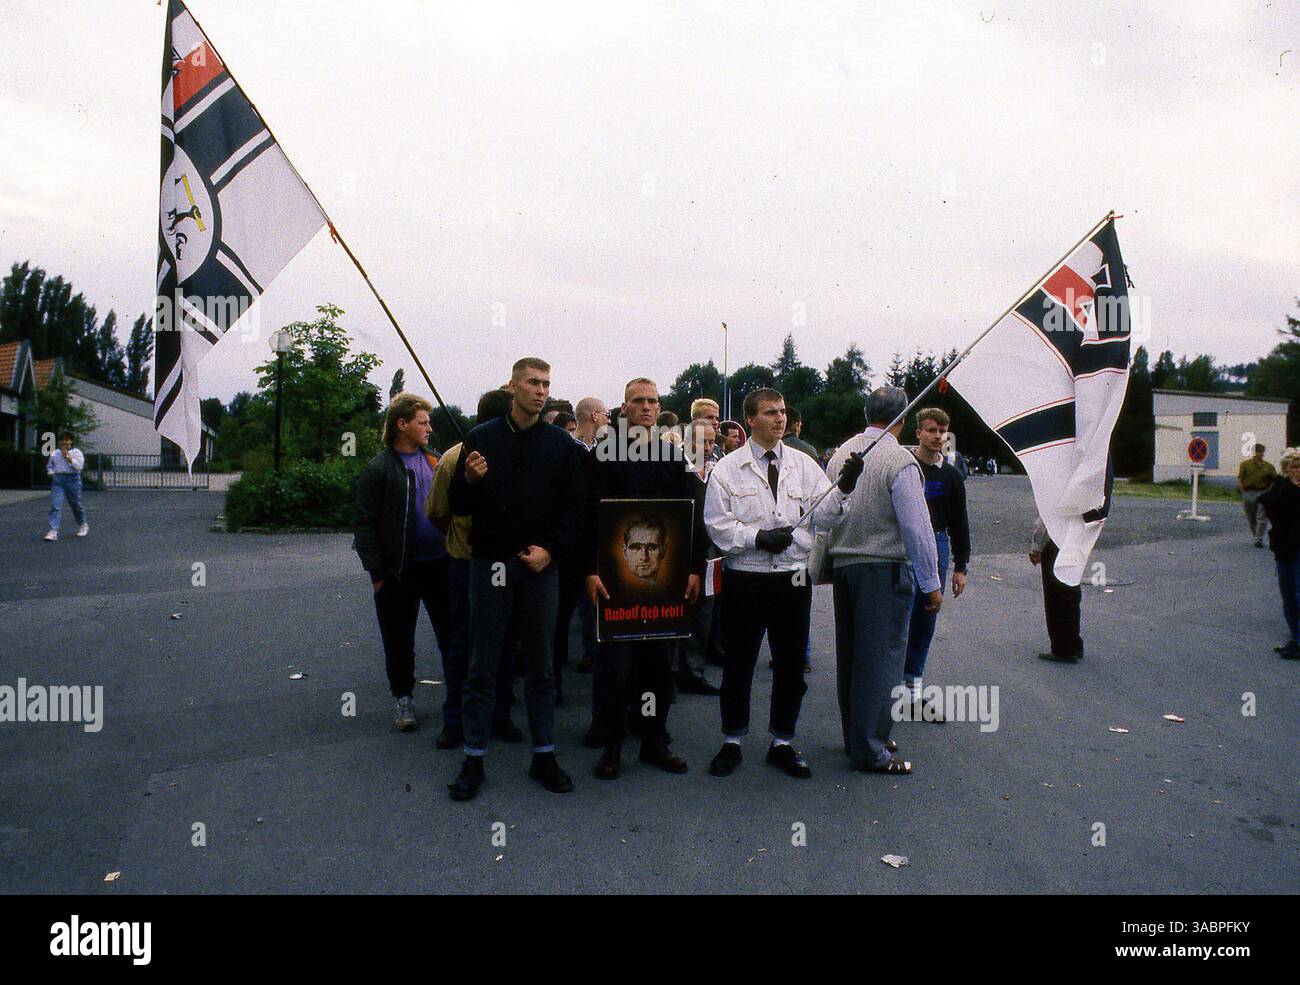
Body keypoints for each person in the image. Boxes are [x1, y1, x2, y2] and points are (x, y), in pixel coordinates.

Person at [704, 387, 861, 780]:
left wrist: (844, 487)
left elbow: (823, 517)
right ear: (750, 420)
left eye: (783, 412)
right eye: (770, 413)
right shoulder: (727, 469)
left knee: (790, 663)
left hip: (792, 576)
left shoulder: (805, 466)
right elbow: (717, 524)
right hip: (747, 577)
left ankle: (782, 741)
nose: (780, 418)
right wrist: (757, 538)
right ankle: (732, 739)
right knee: (739, 661)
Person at [445, 358, 584, 801]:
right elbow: (459, 506)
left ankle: (544, 754)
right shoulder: (480, 439)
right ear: (512, 387)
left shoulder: (562, 445)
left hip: (541, 566)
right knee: (483, 664)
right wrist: (468, 479)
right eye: (533, 383)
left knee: (543, 666)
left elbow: (577, 509)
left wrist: (553, 549)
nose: (541, 391)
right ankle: (473, 757)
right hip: (492, 564)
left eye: (546, 384)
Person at [583, 377, 705, 780]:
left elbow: (691, 517)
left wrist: (694, 569)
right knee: (616, 668)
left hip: (663, 582)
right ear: (624, 408)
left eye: (653, 401)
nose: (648, 407)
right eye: (639, 401)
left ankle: (654, 740)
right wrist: (589, 570)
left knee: (656, 667)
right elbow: (586, 519)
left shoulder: (672, 457)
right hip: (615, 580)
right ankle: (613, 745)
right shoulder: (604, 455)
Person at [826, 387, 940, 775]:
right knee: (881, 659)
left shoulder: (842, 453)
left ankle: (856, 735)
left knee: (852, 657)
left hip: (844, 566)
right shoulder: (899, 460)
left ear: (865, 411)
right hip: (883, 566)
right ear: (904, 418)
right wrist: (930, 581)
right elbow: (916, 528)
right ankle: (871, 748)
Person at [428, 388, 522, 749]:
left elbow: (436, 514)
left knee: (483, 643)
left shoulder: (473, 454)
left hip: (486, 560)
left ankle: (479, 717)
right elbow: (439, 510)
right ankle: (465, 718)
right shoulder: (457, 458)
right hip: (469, 564)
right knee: (472, 643)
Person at [353, 393, 453, 732]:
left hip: (440, 565)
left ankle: (457, 698)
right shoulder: (378, 469)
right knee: (398, 640)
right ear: (402, 424)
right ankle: (404, 699)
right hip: (399, 571)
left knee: (452, 635)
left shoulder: (437, 461)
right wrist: (378, 573)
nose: (429, 427)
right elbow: (364, 525)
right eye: (423, 422)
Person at [902, 408, 971, 721]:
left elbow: (960, 522)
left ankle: (913, 691)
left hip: (938, 543)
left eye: (942, 432)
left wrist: (960, 566)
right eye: (931, 431)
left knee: (926, 615)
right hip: (902, 545)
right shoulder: (905, 467)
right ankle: (886, 688)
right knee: (897, 615)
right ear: (918, 433)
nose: (937, 437)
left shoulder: (952, 476)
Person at [675, 419, 721, 695]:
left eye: (710, 442)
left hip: (711, 552)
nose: (706, 447)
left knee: (705, 611)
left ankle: (693, 672)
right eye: (700, 441)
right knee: (676, 610)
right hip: (682, 549)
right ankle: (669, 674)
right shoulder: (676, 468)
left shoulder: (718, 470)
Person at [1259, 448, 1300, 658]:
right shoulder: (1282, 488)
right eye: (1294, 466)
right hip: (1284, 548)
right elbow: (1267, 502)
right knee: (1289, 595)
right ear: (1287, 469)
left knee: (1298, 594)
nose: (1298, 470)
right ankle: (1295, 638)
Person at [1029, 517, 1083, 662]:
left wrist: (1036, 547)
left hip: (1055, 540)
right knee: (1071, 589)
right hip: (1077, 539)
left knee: (1055, 595)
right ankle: (1074, 642)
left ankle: (1062, 648)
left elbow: (1047, 517)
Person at [44, 431, 88, 541]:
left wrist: (67, 457)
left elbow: (79, 466)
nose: (64, 442)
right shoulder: (54, 453)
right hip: (58, 480)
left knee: (76, 504)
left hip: (72, 480)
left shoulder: (77, 452)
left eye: (67, 440)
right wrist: (50, 472)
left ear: (71, 441)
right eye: (62, 440)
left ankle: (83, 524)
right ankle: (53, 530)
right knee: (56, 505)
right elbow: (50, 465)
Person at [1238, 443, 1277, 548]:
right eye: (1257, 451)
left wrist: (1270, 492)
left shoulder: (1269, 467)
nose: (1259, 454)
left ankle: (1259, 539)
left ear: (1263, 453)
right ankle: (1256, 534)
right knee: (1251, 517)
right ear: (1253, 452)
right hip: (1249, 492)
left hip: (1264, 492)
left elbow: (1274, 480)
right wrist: (1244, 493)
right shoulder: (1245, 465)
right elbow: (1240, 479)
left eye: (1261, 451)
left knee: (1262, 517)